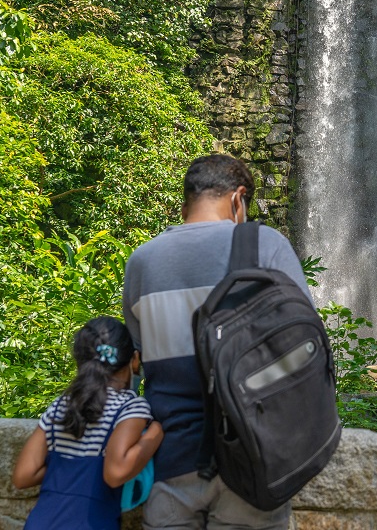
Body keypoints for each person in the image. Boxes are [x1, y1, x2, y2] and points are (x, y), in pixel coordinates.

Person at [123, 153, 312, 530]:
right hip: (253, 462)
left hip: (172, 463)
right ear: (238, 200)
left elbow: (137, 362)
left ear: (185, 203)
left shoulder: (141, 262)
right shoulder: (266, 246)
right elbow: (305, 345)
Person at [14, 316, 164, 530]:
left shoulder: (61, 405)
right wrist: (156, 431)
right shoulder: (130, 407)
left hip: (41, 522)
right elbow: (116, 473)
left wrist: (68, 469)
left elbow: (23, 475)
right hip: (91, 523)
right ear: (135, 360)